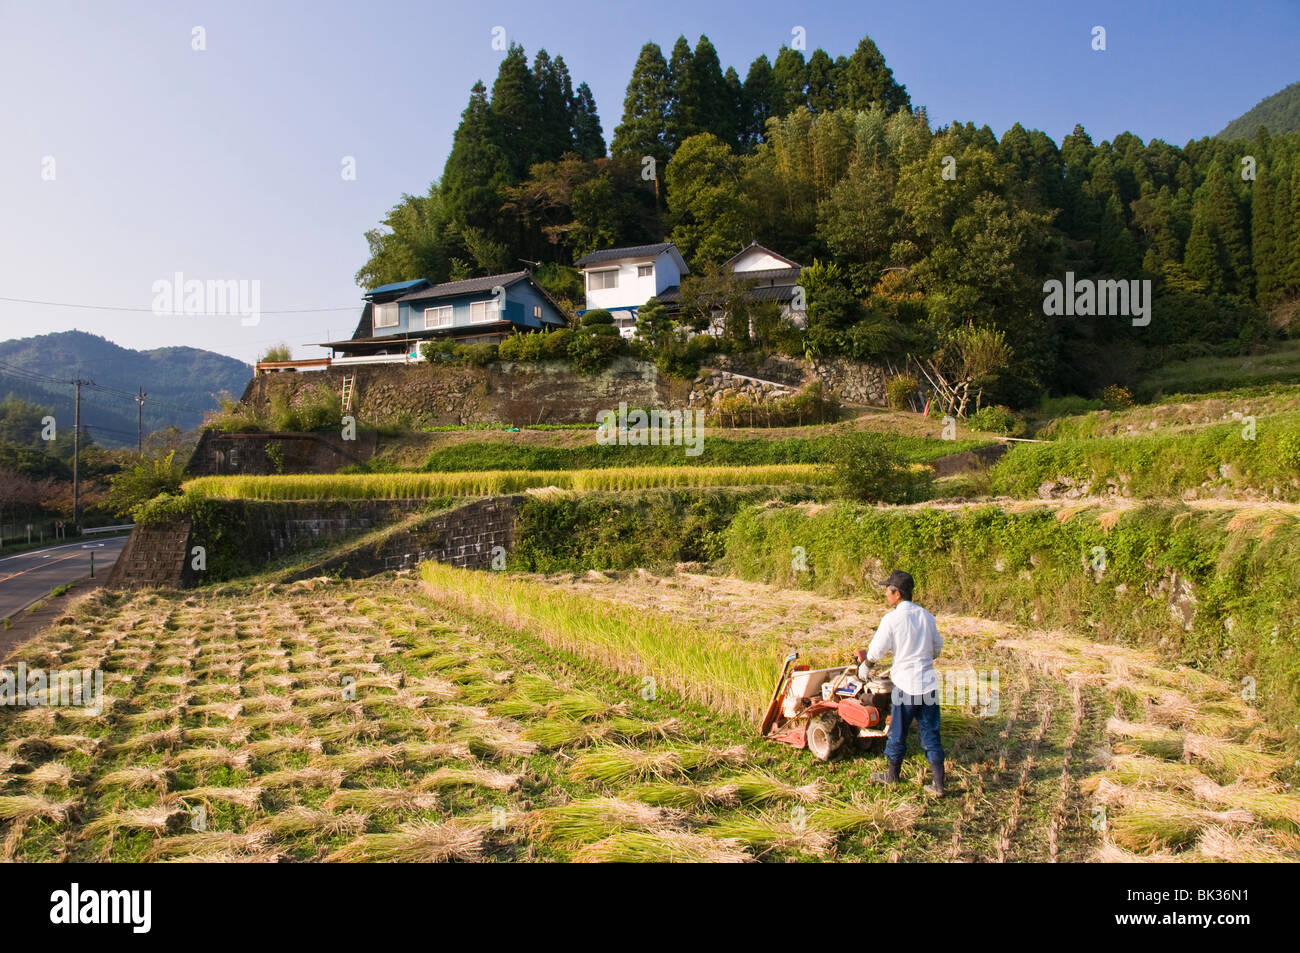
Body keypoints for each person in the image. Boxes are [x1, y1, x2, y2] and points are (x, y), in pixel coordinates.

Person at [863, 570, 945, 797]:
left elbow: (877, 649)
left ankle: (892, 776)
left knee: (897, 732)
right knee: (931, 733)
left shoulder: (892, 619)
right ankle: (939, 785)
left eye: (888, 591)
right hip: (928, 685)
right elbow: (937, 648)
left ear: (897, 594)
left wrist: (866, 665)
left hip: (906, 687)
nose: (886, 595)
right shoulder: (927, 616)